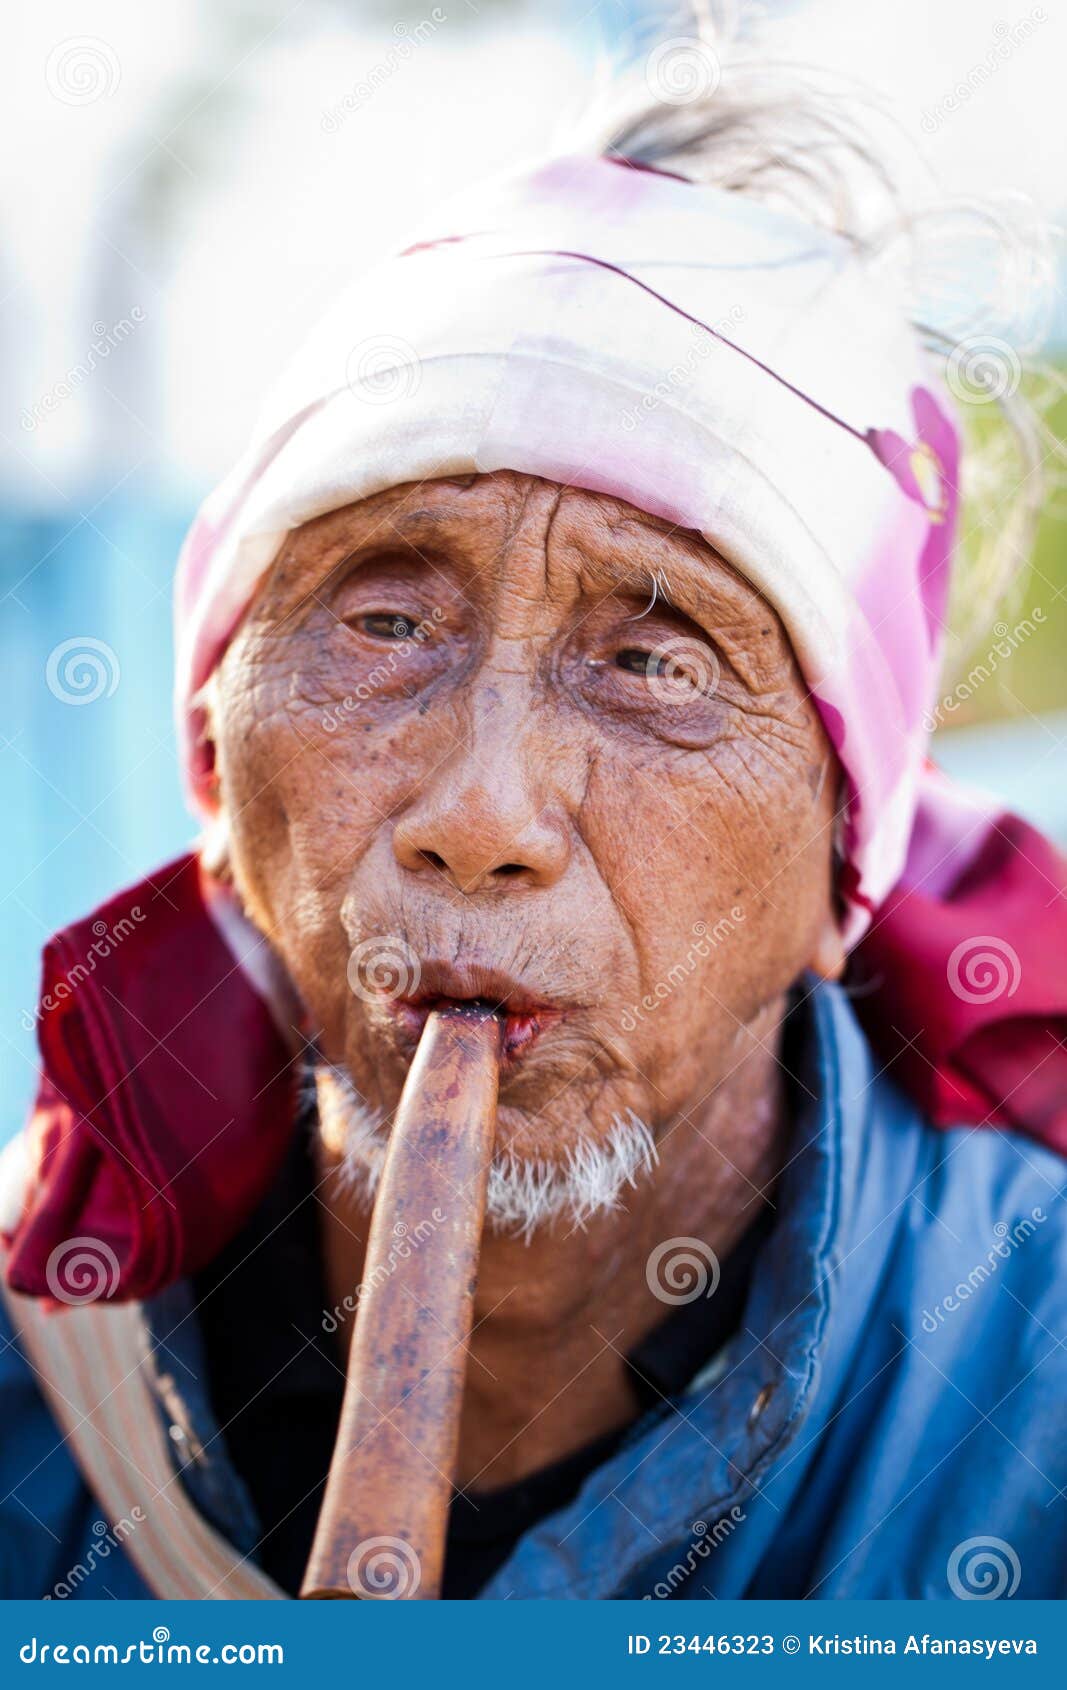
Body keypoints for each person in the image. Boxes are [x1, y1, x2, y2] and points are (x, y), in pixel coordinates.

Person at [1, 79, 1065, 1602]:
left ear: (850, 850)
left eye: (655, 662)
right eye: (380, 624)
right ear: (215, 768)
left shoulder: (1026, 1424)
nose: (481, 818)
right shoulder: (32, 1393)